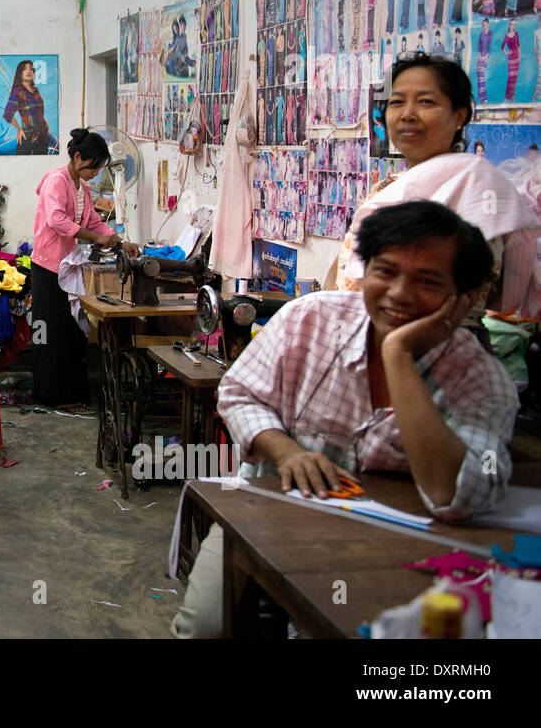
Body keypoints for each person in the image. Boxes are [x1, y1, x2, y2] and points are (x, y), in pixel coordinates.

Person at [172, 201, 516, 638]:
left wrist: (398, 357)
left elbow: (459, 495)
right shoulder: (309, 319)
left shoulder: (481, 382)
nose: (399, 294)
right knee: (207, 625)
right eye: (385, 272)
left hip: (393, 546)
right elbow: (239, 392)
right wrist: (287, 450)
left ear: (463, 299)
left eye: (428, 281)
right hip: (271, 511)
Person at [332, 53, 541, 321]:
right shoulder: (390, 186)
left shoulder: (475, 187)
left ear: (459, 116)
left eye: (426, 102)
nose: (407, 114)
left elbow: (456, 303)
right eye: (397, 102)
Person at [30, 129, 140, 407]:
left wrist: (119, 242)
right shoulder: (57, 181)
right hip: (47, 267)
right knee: (48, 332)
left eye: (99, 169)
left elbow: (93, 223)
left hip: (68, 266)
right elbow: (57, 220)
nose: (95, 174)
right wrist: (96, 238)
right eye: (93, 167)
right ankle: (48, 394)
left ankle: (72, 393)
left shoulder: (83, 188)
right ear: (77, 157)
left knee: (71, 330)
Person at [3, 60, 53, 155]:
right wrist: (19, 129)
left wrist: (45, 122)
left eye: (31, 68)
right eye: (25, 69)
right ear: (20, 73)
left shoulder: (35, 90)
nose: (29, 71)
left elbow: (37, 110)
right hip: (27, 136)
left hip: (42, 135)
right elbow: (8, 114)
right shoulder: (17, 91)